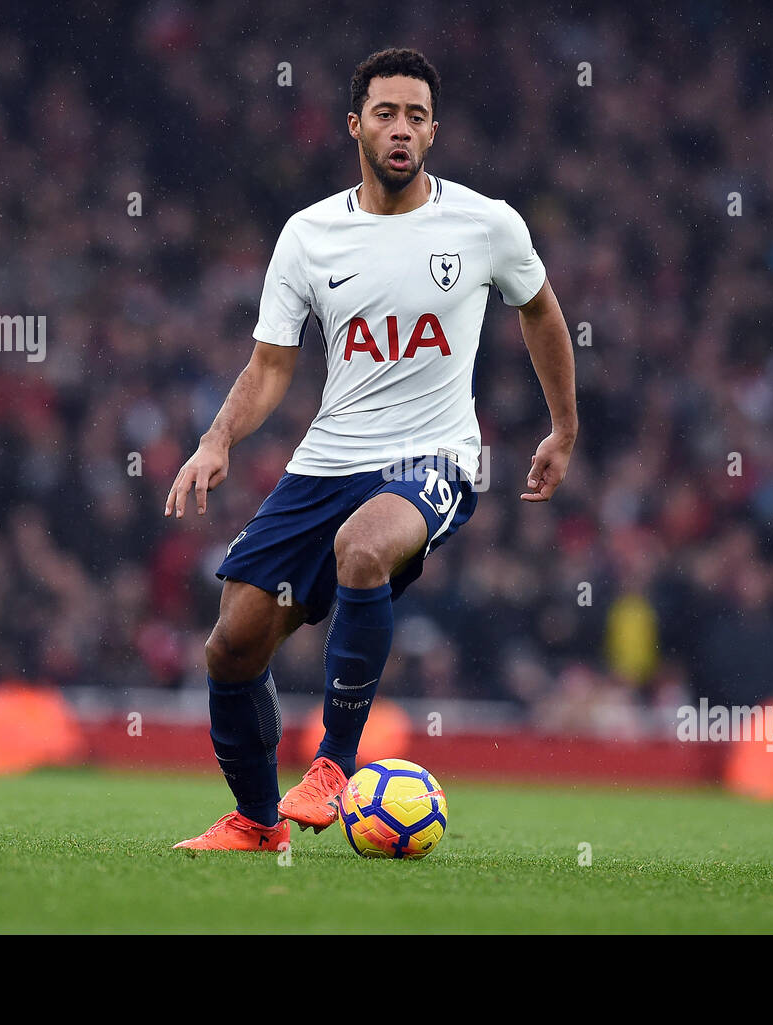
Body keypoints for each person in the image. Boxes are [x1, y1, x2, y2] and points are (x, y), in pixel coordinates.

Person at [164, 48, 578, 851]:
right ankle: (258, 822)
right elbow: (271, 364)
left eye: (416, 116)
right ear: (355, 126)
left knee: (364, 549)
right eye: (386, 113)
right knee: (232, 643)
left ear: (434, 132)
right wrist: (216, 439)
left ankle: (334, 764)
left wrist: (562, 427)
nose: (401, 129)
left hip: (435, 458)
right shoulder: (309, 235)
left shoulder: (486, 224)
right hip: (328, 461)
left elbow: (542, 313)